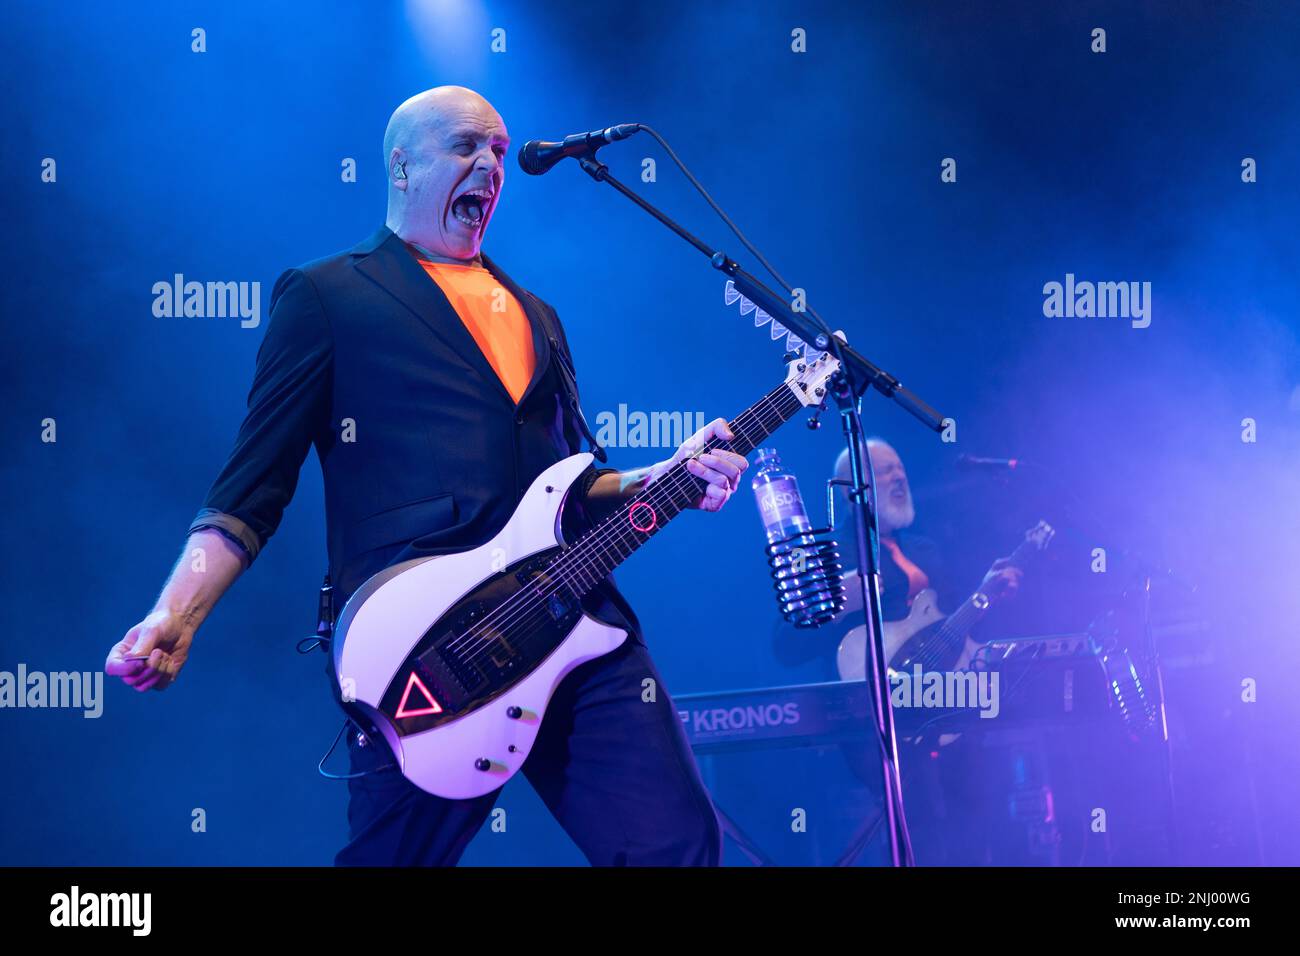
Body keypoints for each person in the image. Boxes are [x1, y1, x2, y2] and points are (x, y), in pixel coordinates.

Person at [105, 86, 749, 867]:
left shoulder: (537, 313)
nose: (490, 166)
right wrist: (178, 613)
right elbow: (251, 485)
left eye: (501, 152)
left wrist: (664, 475)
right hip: (423, 641)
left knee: (675, 844)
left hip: (572, 616)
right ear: (401, 165)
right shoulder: (328, 294)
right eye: (466, 147)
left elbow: (573, 482)